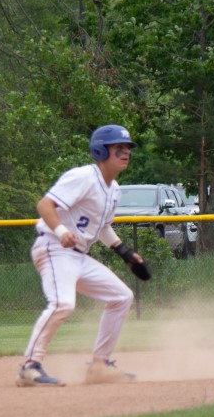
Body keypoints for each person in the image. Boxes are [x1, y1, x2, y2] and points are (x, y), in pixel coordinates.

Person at [16, 124, 146, 386]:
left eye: (128, 149)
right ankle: (30, 366)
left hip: (78, 256)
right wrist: (61, 229)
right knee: (63, 304)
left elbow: (103, 227)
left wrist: (125, 252)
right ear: (100, 151)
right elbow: (45, 205)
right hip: (54, 247)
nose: (126, 153)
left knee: (121, 297)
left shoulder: (114, 189)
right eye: (118, 148)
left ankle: (100, 366)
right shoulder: (84, 177)